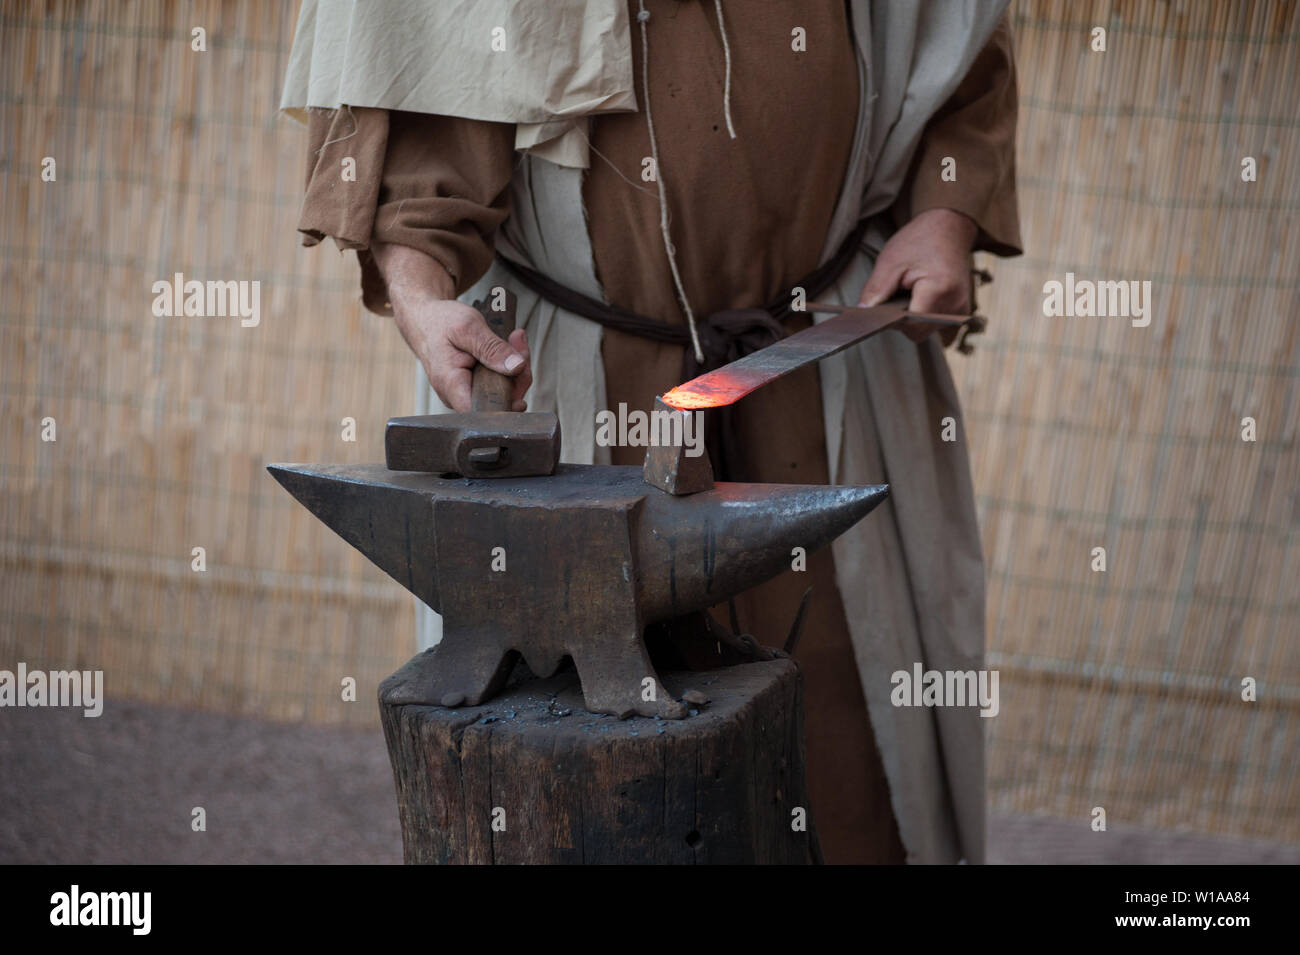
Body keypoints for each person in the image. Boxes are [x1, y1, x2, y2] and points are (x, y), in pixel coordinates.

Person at [282, 0, 1022, 864]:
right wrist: (416, 288)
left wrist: (943, 212)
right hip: (573, 392)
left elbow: (956, 41)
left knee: (850, 748)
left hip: (826, 360)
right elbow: (420, 76)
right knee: (590, 781)